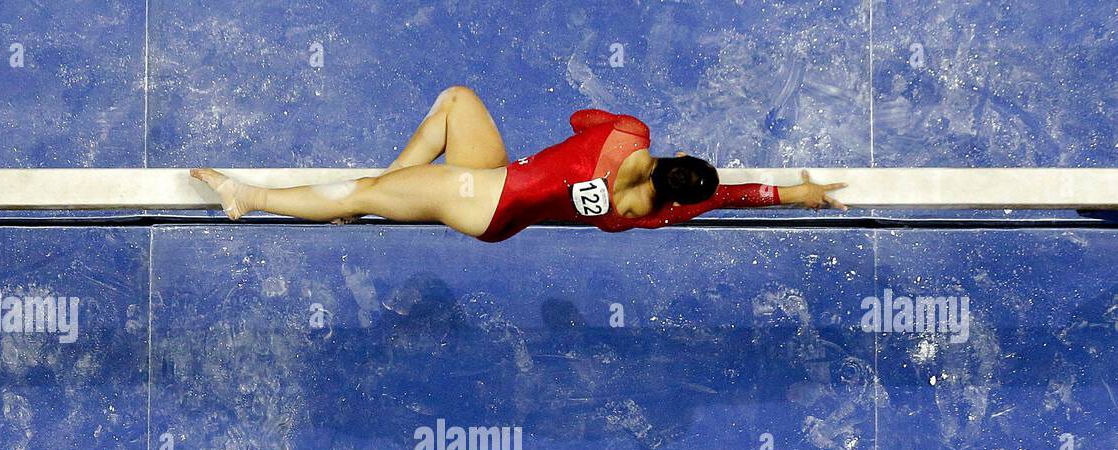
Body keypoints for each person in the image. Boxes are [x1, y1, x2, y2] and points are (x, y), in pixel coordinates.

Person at [190, 85, 846, 241]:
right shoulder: (657, 215)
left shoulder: (627, 133)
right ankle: (395, 187)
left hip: (483, 200)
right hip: (505, 196)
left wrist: (602, 150)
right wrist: (800, 192)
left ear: (673, 154)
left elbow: (579, 122)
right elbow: (738, 196)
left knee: (355, 190)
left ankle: (252, 197)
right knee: (457, 102)